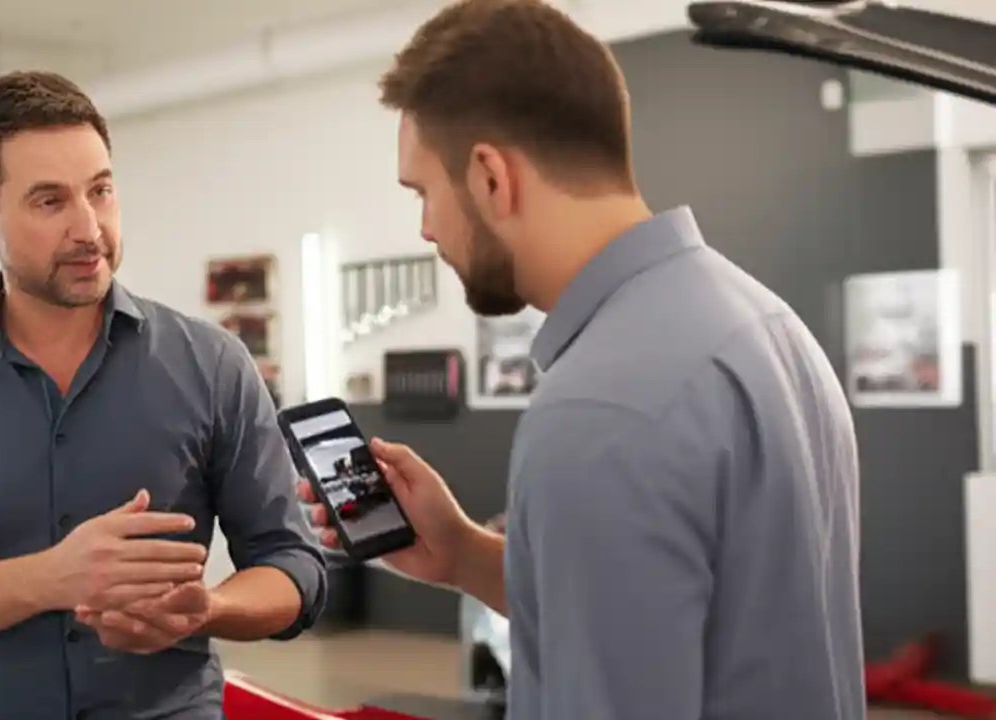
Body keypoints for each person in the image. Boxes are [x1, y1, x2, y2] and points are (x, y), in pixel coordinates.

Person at [299, 1, 865, 718]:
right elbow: (698, 618)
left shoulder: (599, 411)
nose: (426, 228)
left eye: (423, 192)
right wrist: (467, 555)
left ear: (489, 178)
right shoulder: (768, 326)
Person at [0, 71, 326, 720]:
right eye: (49, 201)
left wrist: (209, 610)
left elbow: (294, 565)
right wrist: (51, 577)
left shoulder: (214, 366)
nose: (89, 228)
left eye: (101, 191)